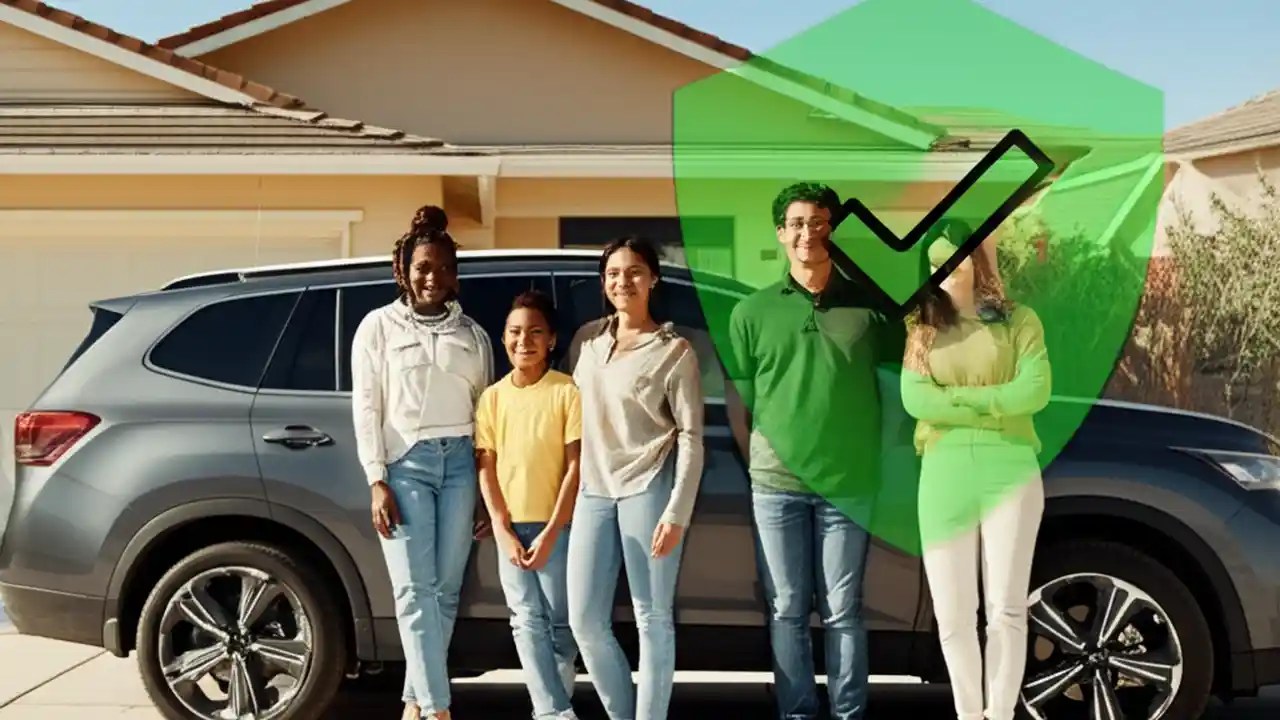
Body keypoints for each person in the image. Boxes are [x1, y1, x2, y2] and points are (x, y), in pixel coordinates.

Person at [725, 181, 905, 720]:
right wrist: (758, 460)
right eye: (798, 224)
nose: (808, 233)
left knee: (844, 610)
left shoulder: (872, 308)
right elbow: (741, 403)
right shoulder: (750, 313)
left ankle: (849, 713)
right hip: (775, 488)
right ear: (782, 234)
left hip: (849, 486)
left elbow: (898, 388)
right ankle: (798, 712)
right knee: (785, 608)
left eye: (819, 222)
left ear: (833, 229)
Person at [899, 219, 1051, 720]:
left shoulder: (1019, 320)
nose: (946, 267)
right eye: (935, 259)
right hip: (944, 477)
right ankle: (970, 712)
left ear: (973, 259)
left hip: (1010, 470)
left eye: (955, 255)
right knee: (952, 614)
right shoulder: (920, 329)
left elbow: (1036, 391)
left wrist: (956, 399)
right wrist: (994, 402)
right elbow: (916, 400)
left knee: (1007, 608)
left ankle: (1001, 713)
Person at [350, 205, 494, 720]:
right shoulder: (377, 328)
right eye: (422, 267)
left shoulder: (473, 336)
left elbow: (485, 415)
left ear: (455, 274)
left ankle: (414, 702)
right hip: (405, 465)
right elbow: (367, 407)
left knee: (445, 592)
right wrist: (377, 479)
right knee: (413, 591)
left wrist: (482, 488)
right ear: (403, 271)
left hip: (458, 465)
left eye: (441, 268)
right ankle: (438, 710)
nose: (431, 277)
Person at [565, 235, 705, 720]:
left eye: (634, 272)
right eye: (613, 274)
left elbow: (691, 436)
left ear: (653, 280)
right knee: (583, 620)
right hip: (592, 492)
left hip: (649, 488)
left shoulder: (674, 351)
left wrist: (677, 512)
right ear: (604, 284)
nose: (623, 281)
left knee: (652, 617)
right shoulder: (587, 341)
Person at [474, 289, 583, 720]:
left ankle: (555, 701)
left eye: (536, 332)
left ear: (552, 340)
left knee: (561, 622)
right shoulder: (493, 398)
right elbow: (487, 467)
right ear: (503, 339)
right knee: (525, 619)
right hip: (511, 528)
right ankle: (552, 710)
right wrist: (501, 527)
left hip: (558, 526)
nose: (525, 341)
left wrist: (554, 528)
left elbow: (575, 467)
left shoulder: (567, 391)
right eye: (515, 332)